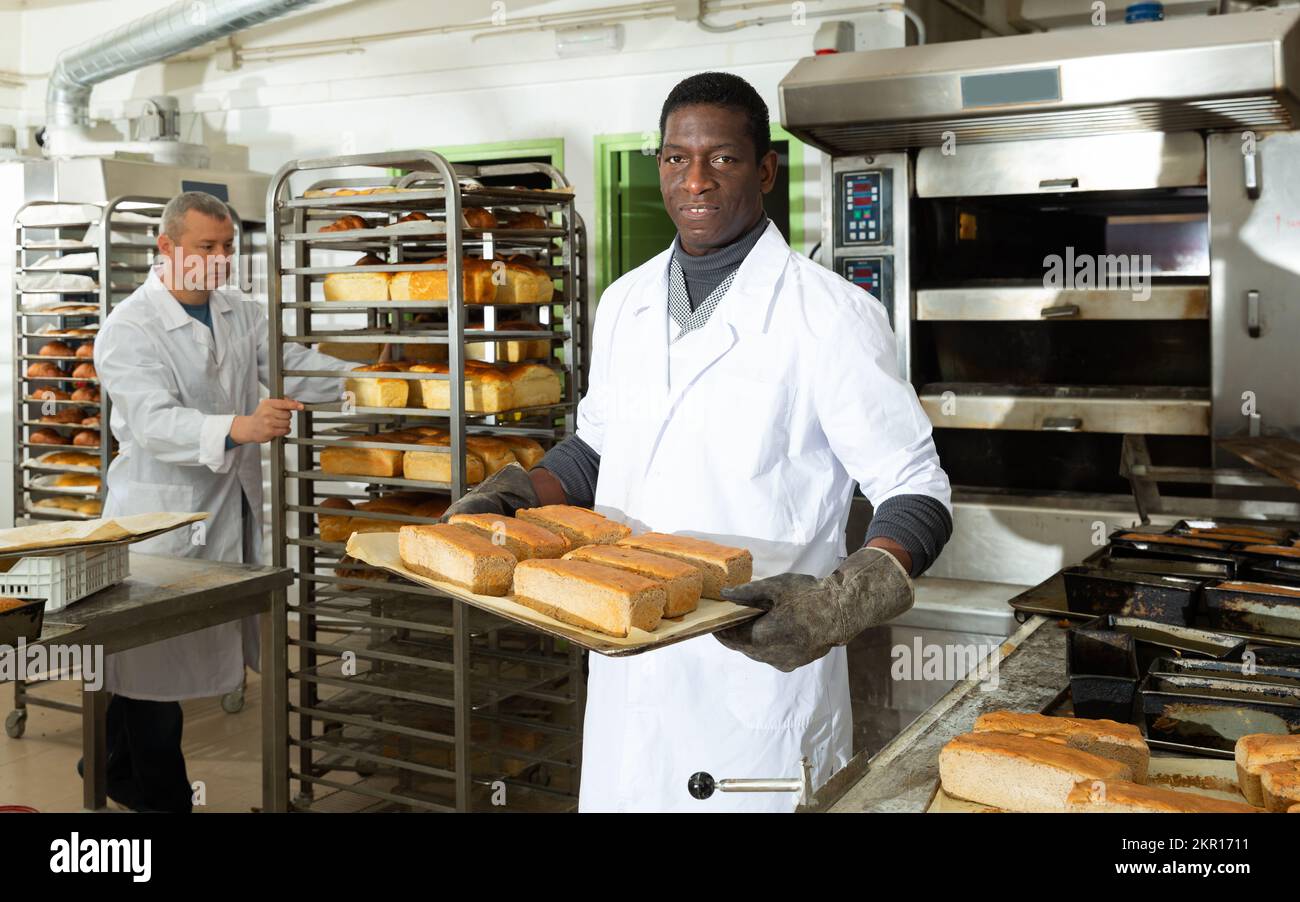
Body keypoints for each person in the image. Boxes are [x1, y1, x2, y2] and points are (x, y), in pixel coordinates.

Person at [444, 71, 953, 812]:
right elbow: (596, 449)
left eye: (723, 157)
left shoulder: (829, 316)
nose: (696, 179)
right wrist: (520, 492)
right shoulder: (625, 302)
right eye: (676, 157)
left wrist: (842, 603)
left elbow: (916, 490)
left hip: (758, 681)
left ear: (766, 170)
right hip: (629, 664)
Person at [91, 191, 352, 812]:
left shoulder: (237, 311)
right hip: (160, 518)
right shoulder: (129, 328)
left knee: (163, 664)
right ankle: (161, 800)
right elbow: (153, 422)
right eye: (206, 247)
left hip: (229, 510)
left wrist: (381, 373)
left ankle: (108, 763)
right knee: (152, 666)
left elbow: (291, 364)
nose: (220, 260)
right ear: (167, 247)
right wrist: (239, 426)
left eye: (227, 247)